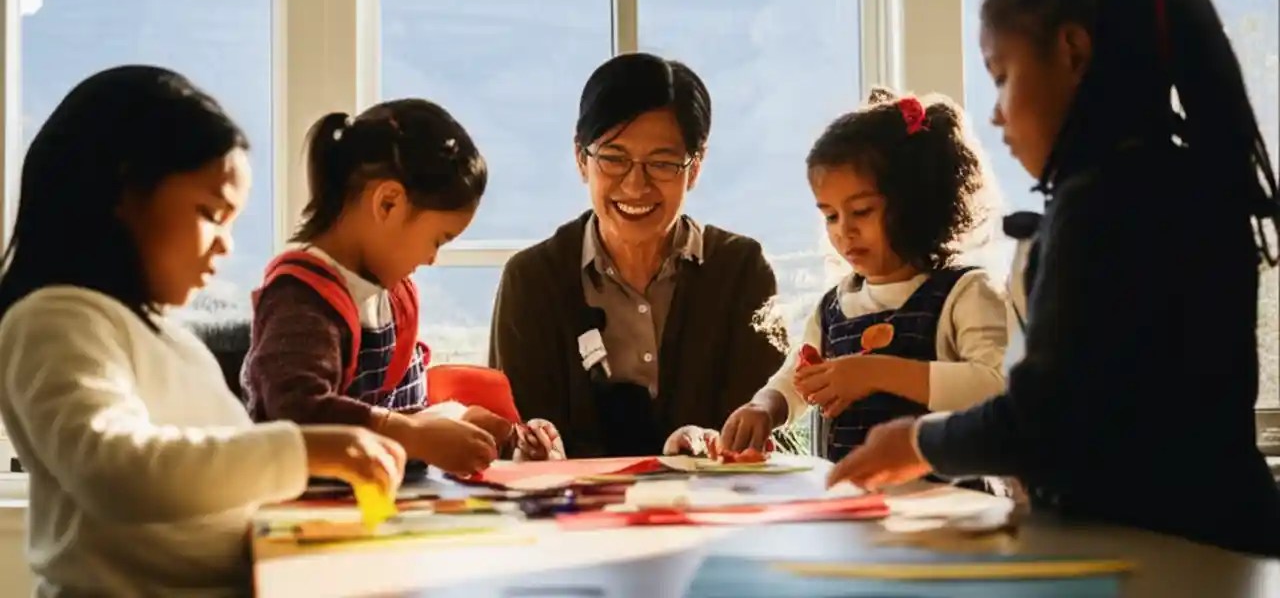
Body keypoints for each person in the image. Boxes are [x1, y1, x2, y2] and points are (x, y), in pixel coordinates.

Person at [827, 0, 1280, 558]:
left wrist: (917, 442)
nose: (999, 115)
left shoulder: (1099, 202)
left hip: (1161, 554)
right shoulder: (1194, 182)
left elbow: (1046, 420)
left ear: (1072, 51)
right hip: (1226, 540)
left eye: (1003, 76)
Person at [0, 66, 405, 595]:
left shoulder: (173, 343)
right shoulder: (56, 320)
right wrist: (304, 450)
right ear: (123, 190)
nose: (226, 245)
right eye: (211, 213)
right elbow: (117, 472)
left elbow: (214, 481)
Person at [673, 89, 1007, 465]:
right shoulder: (833, 307)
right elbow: (796, 381)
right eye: (831, 216)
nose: (843, 231)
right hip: (856, 508)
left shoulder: (965, 293)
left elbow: (996, 389)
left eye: (861, 211)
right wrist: (763, 408)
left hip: (952, 505)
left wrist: (876, 373)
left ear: (916, 202)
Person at [490, 53, 786, 457]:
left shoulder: (742, 271)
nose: (635, 185)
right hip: (570, 513)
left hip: (710, 509)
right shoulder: (532, 279)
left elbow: (763, 431)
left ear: (694, 168)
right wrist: (534, 447)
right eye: (614, 158)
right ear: (581, 159)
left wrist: (710, 443)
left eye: (662, 164)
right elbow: (514, 432)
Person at [242, 100, 559, 477]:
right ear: (388, 203)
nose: (432, 259)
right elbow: (299, 411)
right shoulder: (302, 296)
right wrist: (412, 435)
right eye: (438, 240)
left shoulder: (393, 296)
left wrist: (468, 422)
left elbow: (394, 411)